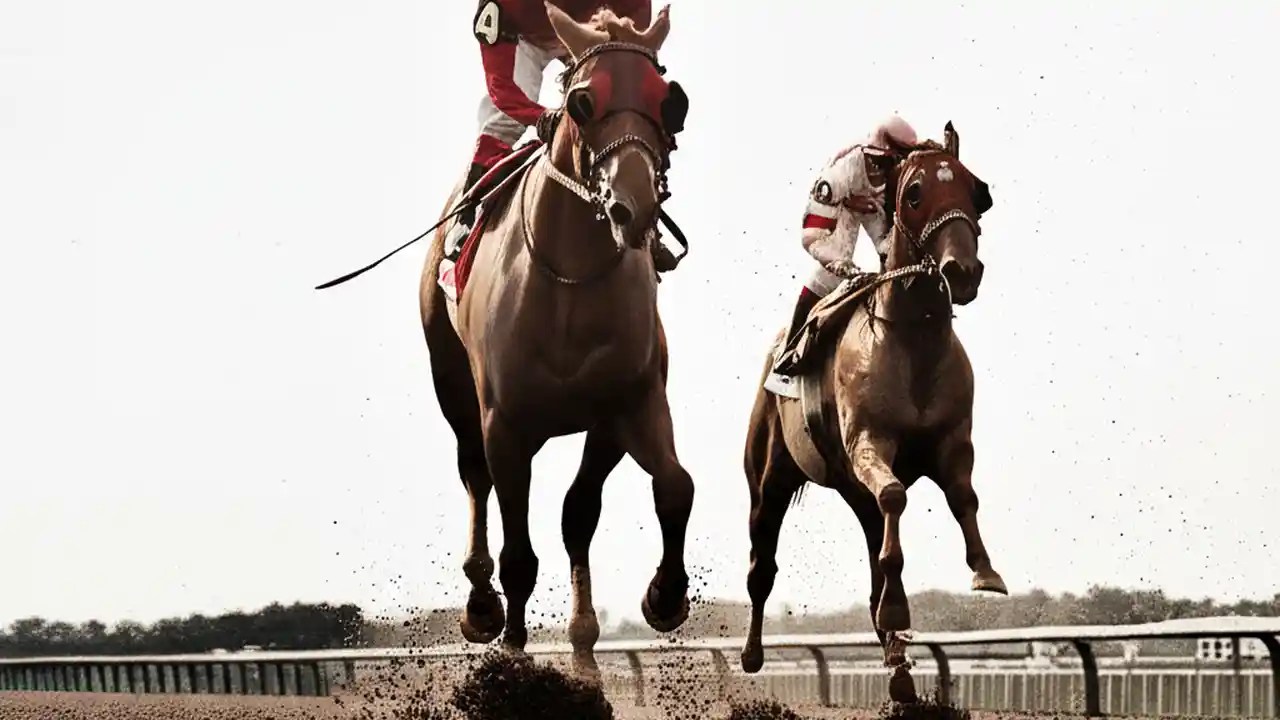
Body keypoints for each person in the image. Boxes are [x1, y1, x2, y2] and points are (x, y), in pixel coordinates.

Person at [444, 0, 652, 257]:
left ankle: (647, 215)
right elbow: (502, 87)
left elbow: (635, 69)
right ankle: (468, 214)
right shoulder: (506, 5)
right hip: (523, 38)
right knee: (503, 123)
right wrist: (542, 118)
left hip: (587, 31)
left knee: (620, 110)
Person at [766, 115, 919, 386]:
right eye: (883, 162)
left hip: (872, 205)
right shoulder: (838, 176)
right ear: (870, 155)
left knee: (894, 256)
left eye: (896, 163)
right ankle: (789, 353)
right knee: (830, 277)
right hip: (839, 206)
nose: (887, 171)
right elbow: (812, 238)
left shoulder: (890, 177)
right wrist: (838, 264)